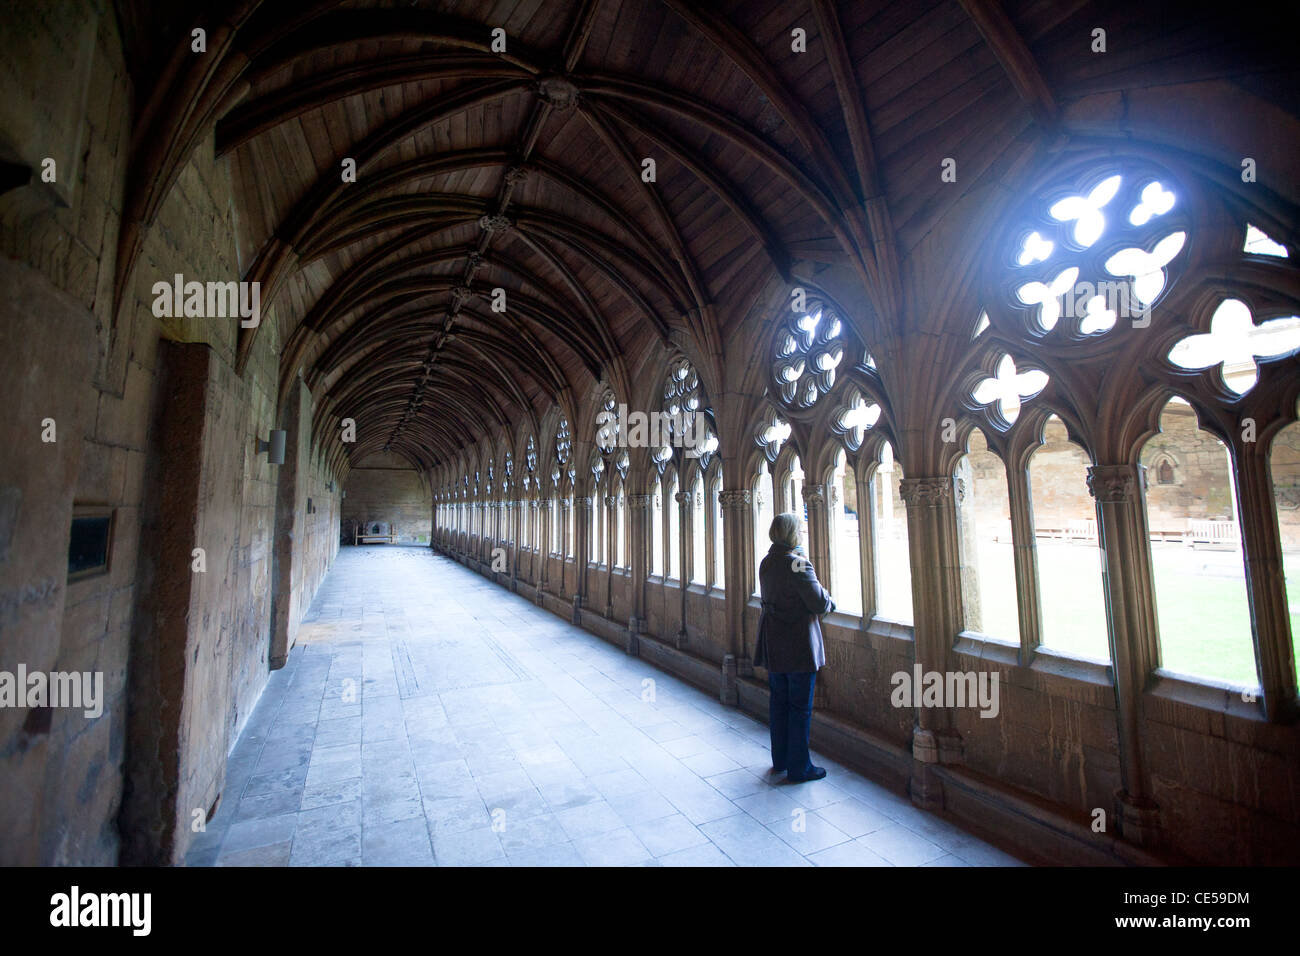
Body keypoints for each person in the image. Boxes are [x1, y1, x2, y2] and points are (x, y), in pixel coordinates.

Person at [753, 512, 835, 783]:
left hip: (774, 643)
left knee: (779, 703)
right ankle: (800, 767)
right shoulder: (797, 563)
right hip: (798, 646)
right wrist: (829, 600)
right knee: (800, 707)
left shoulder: (767, 562)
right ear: (792, 533)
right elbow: (819, 603)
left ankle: (781, 760)